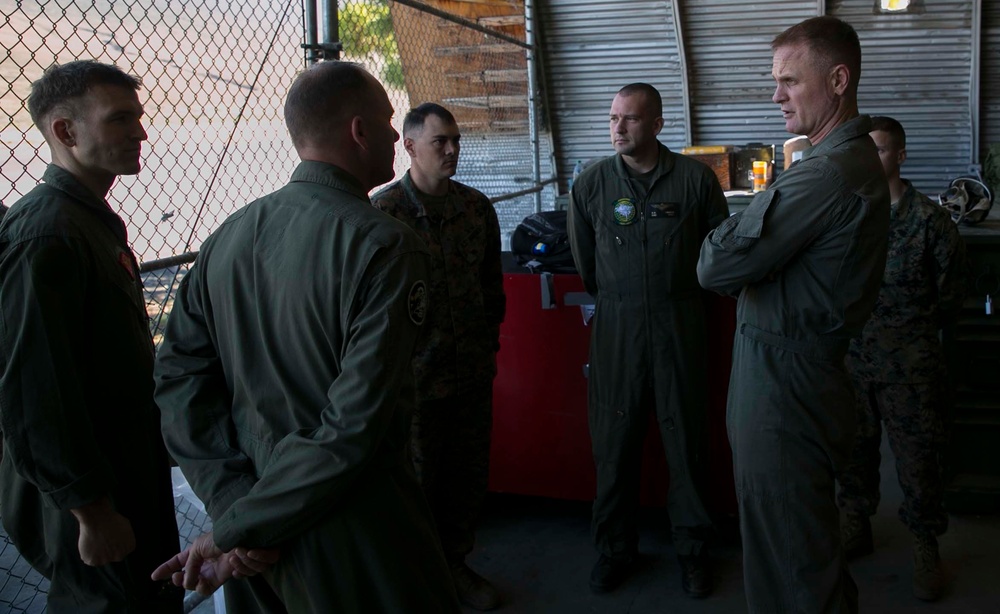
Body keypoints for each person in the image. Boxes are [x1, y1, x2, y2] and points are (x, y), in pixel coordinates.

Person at [151, 61, 461, 613]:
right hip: (353, 532)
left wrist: (233, 506)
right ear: (359, 130)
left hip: (253, 544)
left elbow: (178, 380)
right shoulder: (385, 246)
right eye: (389, 122)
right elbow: (352, 429)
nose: (396, 136)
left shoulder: (227, 236)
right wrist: (240, 525)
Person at [696, 16, 890, 613]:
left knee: (792, 564)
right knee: (799, 546)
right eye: (774, 81)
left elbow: (715, 266)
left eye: (788, 81)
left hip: (784, 388)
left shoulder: (828, 173)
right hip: (792, 373)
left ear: (837, 80)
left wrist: (757, 216)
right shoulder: (838, 163)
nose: (776, 94)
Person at [0, 59, 184, 613]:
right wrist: (91, 512)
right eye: (120, 119)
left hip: (123, 476)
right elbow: (35, 394)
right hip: (96, 496)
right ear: (65, 131)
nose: (142, 133)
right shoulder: (48, 235)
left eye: (139, 117)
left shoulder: (84, 221)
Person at [567, 82, 728, 598]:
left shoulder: (696, 182)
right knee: (613, 445)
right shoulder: (591, 185)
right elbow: (586, 263)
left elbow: (718, 256)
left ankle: (694, 552)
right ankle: (615, 549)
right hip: (617, 328)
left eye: (630, 119)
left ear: (657, 124)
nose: (618, 128)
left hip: (681, 325)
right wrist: (624, 300)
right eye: (613, 118)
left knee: (687, 445)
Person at [371, 103, 506, 611]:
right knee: (416, 487)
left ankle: (455, 566)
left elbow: (491, 288)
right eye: (439, 142)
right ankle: (415, 580)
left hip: (470, 374)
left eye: (455, 140)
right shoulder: (385, 214)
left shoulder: (475, 209)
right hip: (413, 387)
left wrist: (487, 346)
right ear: (409, 146)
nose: (452, 150)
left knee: (467, 481)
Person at [837, 116, 967, 601]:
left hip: (911, 366)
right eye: (865, 152)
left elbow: (951, 295)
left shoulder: (930, 222)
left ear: (900, 156)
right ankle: (856, 523)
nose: (873, 160)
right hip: (854, 360)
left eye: (883, 150)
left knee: (918, 461)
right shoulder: (847, 216)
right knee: (852, 453)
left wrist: (911, 332)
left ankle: (924, 543)